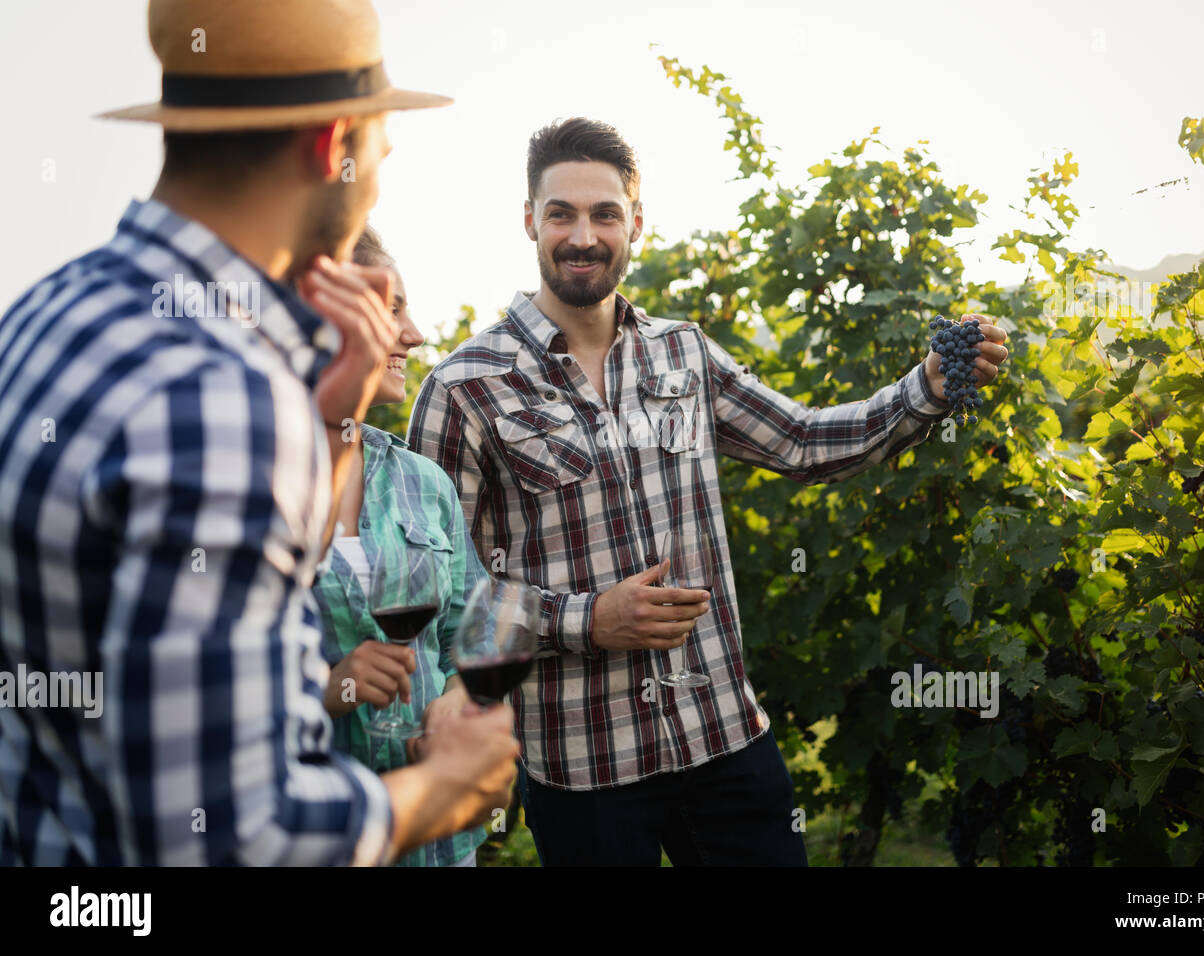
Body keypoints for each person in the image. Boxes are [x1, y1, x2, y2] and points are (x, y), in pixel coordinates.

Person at [408, 117, 1012, 866]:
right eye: (561, 212)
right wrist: (586, 620)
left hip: (725, 740)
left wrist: (926, 388)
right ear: (529, 219)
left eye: (605, 213)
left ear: (636, 223)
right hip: (584, 766)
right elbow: (437, 593)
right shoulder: (463, 389)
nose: (583, 235)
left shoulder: (683, 351)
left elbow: (801, 441)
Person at [0, 0, 518, 866]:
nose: (380, 174)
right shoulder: (228, 397)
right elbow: (237, 838)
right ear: (334, 144)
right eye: (382, 149)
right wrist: (441, 792)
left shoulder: (44, 315)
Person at [314, 225, 487, 867]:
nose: (413, 334)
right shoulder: (248, 492)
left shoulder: (422, 482)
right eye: (392, 308)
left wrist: (456, 703)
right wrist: (325, 691)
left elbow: (477, 634)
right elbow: (194, 697)